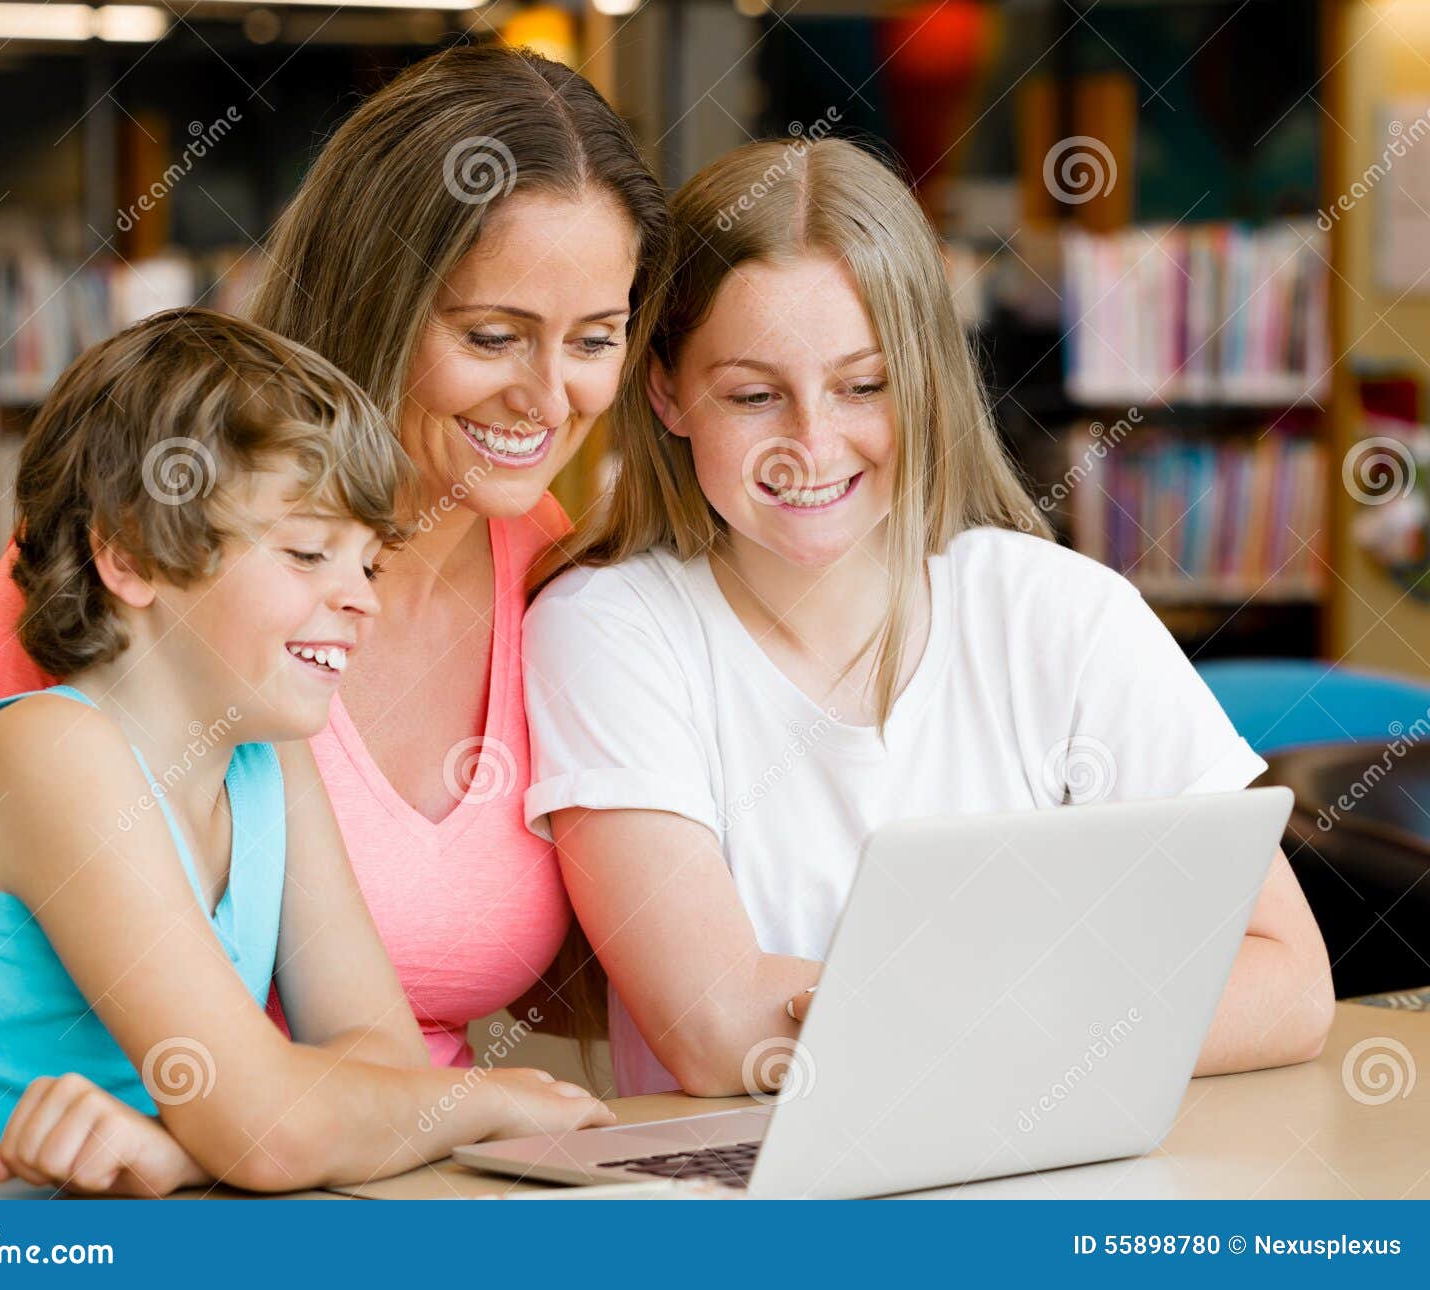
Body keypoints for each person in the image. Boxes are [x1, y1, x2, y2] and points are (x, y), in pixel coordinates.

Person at [0, 45, 669, 1067]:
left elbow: (615, 975)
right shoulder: (150, 540)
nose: (549, 398)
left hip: (399, 1184)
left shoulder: (570, 595)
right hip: (78, 1193)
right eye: (494, 336)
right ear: (377, 298)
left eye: (595, 340)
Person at [522, 138, 1336, 1099]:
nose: (814, 444)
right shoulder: (609, 631)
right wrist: (1075, 1013)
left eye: (864, 386)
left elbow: (1286, 981)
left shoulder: (1061, 611)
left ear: (927, 380)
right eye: (753, 395)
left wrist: (935, 1022)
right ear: (666, 391)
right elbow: (719, 1028)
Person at [0, 310, 611, 1199]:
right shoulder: (46, 752)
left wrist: (187, 1147)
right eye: (310, 553)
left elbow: (382, 1060)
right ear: (129, 556)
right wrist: (480, 1101)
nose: (361, 602)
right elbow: (283, 1127)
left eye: (368, 565)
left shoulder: (268, 759)